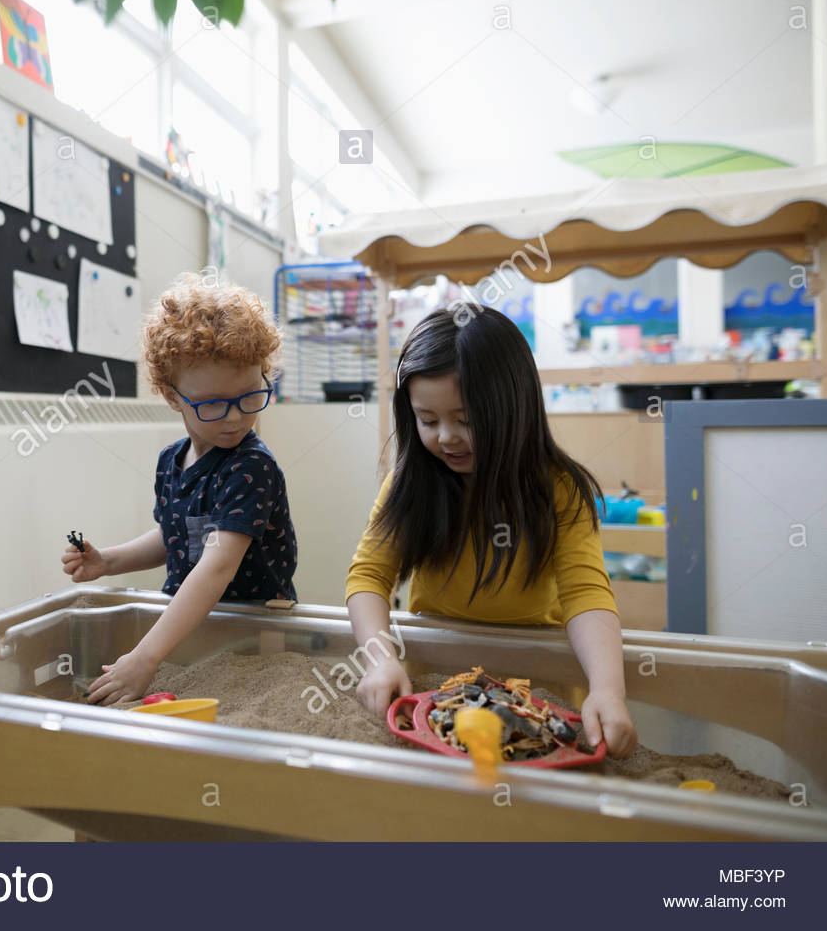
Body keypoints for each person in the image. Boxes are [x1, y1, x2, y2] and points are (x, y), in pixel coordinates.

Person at [346, 304, 636, 757]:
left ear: (514, 407)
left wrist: (608, 690)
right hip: (435, 688)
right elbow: (368, 576)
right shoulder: (410, 484)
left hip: (537, 691)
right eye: (428, 420)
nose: (447, 436)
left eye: (466, 420)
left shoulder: (557, 490)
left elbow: (586, 593)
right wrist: (380, 660)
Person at [62, 272, 298, 706]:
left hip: (252, 634)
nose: (235, 417)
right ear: (173, 398)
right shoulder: (170, 461)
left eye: (250, 395)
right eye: (213, 403)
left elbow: (217, 565)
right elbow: (174, 534)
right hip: (191, 628)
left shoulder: (251, 467)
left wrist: (145, 657)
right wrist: (109, 561)